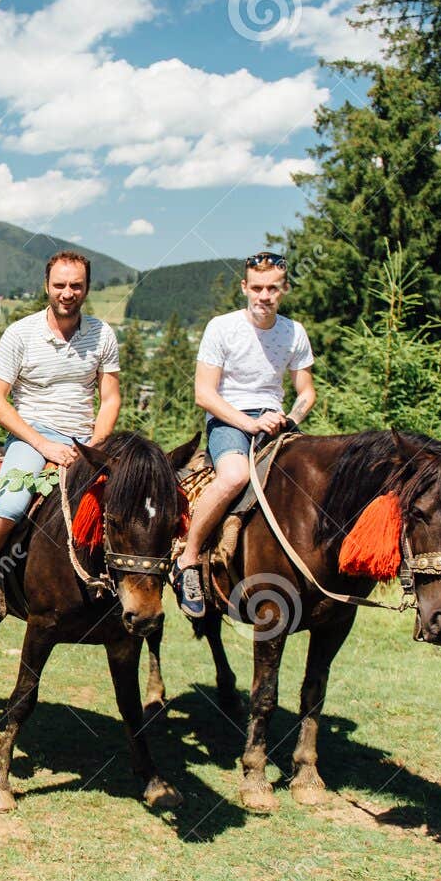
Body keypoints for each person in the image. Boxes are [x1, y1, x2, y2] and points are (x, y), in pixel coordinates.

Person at [0, 251, 121, 624]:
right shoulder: (20, 334)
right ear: (47, 286)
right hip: (33, 436)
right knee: (12, 506)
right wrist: (42, 444)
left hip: (86, 438)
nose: (68, 293)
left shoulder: (102, 334)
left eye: (76, 286)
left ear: (87, 288)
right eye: (60, 285)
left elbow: (110, 398)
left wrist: (95, 443)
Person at [172, 251, 317, 617]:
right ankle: (187, 561)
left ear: (283, 288)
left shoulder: (293, 332)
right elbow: (204, 394)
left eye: (272, 288)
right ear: (245, 287)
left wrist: (291, 417)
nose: (264, 296)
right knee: (234, 476)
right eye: (257, 288)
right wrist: (247, 423)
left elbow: (307, 391)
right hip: (228, 420)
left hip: (277, 421)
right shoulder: (222, 327)